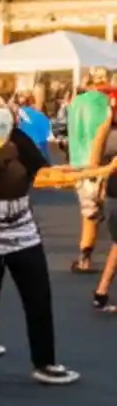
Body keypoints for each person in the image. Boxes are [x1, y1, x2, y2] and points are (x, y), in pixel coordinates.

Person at [0, 106, 115, 385]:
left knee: (37, 296)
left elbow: (46, 173)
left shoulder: (19, 140)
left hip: (22, 229)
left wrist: (91, 171)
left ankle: (44, 362)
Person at [67, 69, 113, 273]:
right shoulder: (104, 103)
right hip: (102, 163)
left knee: (89, 214)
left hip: (79, 163)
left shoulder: (75, 103)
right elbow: (102, 133)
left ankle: (84, 258)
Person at [91, 94, 117, 313]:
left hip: (111, 193)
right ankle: (101, 291)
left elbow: (94, 162)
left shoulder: (105, 131)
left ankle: (101, 291)